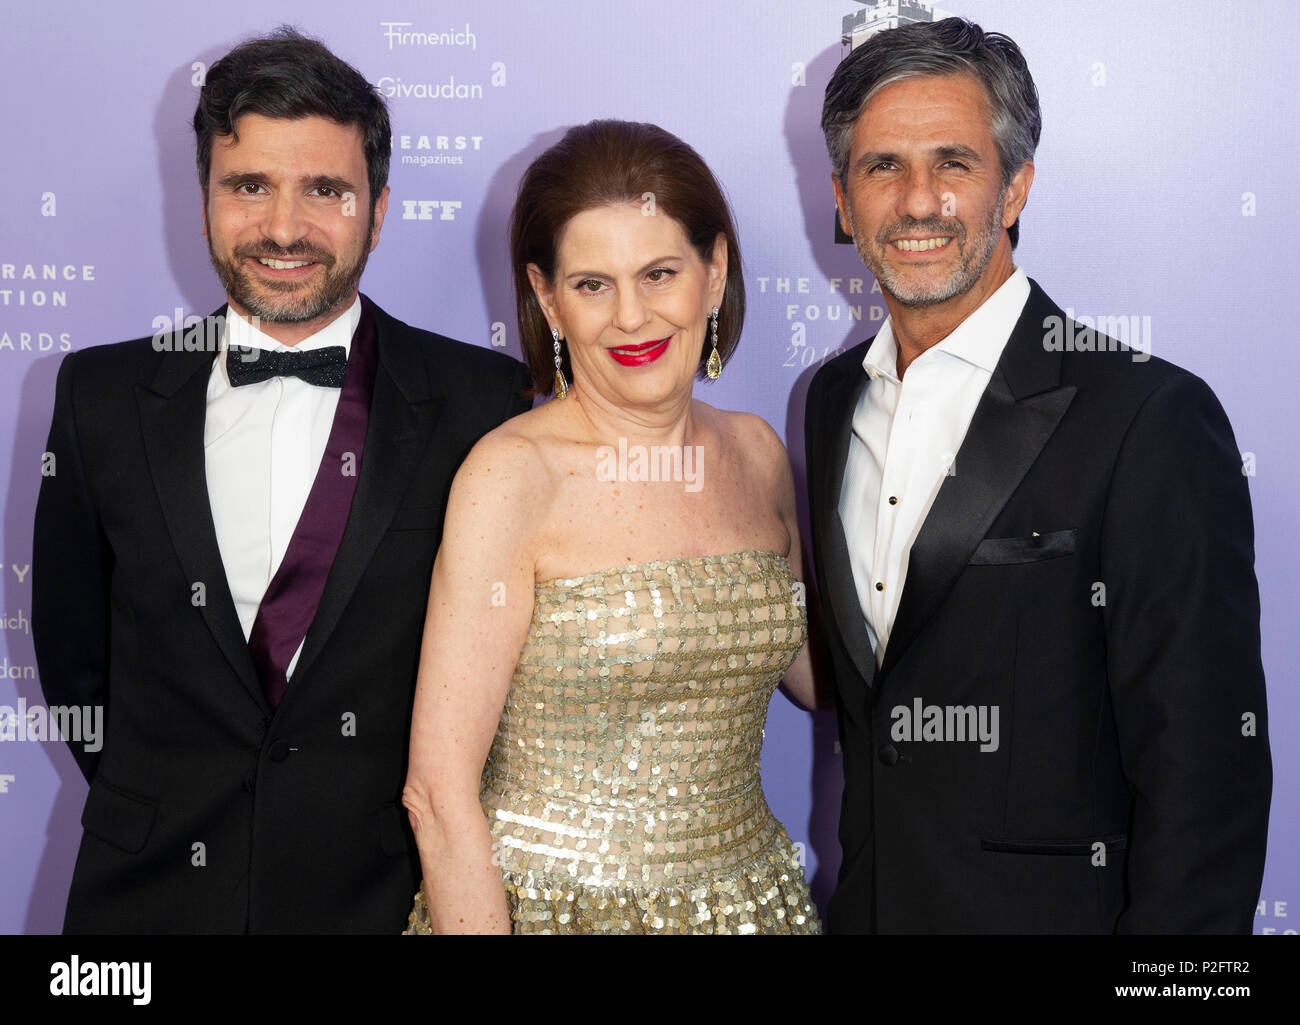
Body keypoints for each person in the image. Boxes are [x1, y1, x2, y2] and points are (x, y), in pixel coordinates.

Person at [31, 27, 530, 933]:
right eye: (249, 186)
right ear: (205, 198)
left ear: (378, 210)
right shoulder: (100, 396)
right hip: (140, 907)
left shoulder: (480, 402)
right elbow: (75, 664)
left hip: (382, 902)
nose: (284, 228)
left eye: (325, 190)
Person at [805, 17, 1271, 933]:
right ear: (842, 197)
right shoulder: (829, 404)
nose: (919, 200)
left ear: (1014, 186)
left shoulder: (1149, 418)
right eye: (883, 167)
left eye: (955, 164)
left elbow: (1206, 780)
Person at [400, 119, 822, 934]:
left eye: (660, 272)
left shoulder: (758, 454)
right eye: (592, 284)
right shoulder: (511, 476)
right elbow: (439, 794)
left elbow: (820, 675)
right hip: (554, 917)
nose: (631, 316)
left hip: (753, 910)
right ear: (547, 298)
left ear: (716, 271)